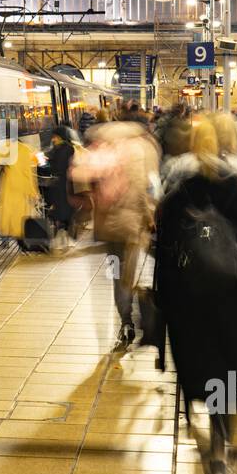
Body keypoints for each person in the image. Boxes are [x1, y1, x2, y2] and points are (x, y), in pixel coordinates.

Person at [154, 117, 237, 474]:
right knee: (225, 379)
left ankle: (211, 467)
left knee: (195, 384)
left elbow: (163, 249)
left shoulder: (176, 190)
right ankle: (223, 463)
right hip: (225, 295)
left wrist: (161, 305)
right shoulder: (230, 189)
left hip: (185, 302)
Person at [71, 119, 159, 345]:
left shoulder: (101, 152)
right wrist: (150, 218)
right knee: (127, 276)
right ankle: (132, 313)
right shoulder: (139, 152)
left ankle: (125, 321)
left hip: (107, 230)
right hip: (130, 229)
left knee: (115, 275)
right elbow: (142, 191)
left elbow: (80, 180)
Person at [0, 135, 39, 242]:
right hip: (22, 186)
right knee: (20, 214)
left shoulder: (6, 148)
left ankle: (5, 237)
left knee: (7, 212)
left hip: (8, 185)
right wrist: (34, 192)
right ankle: (20, 236)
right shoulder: (26, 149)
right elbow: (29, 173)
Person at [41, 127, 78, 249]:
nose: (53, 139)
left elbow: (56, 166)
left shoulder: (60, 150)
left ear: (59, 137)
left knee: (60, 209)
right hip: (68, 183)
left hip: (61, 184)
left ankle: (63, 236)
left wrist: (45, 162)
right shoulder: (69, 148)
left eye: (55, 137)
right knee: (66, 209)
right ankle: (67, 236)